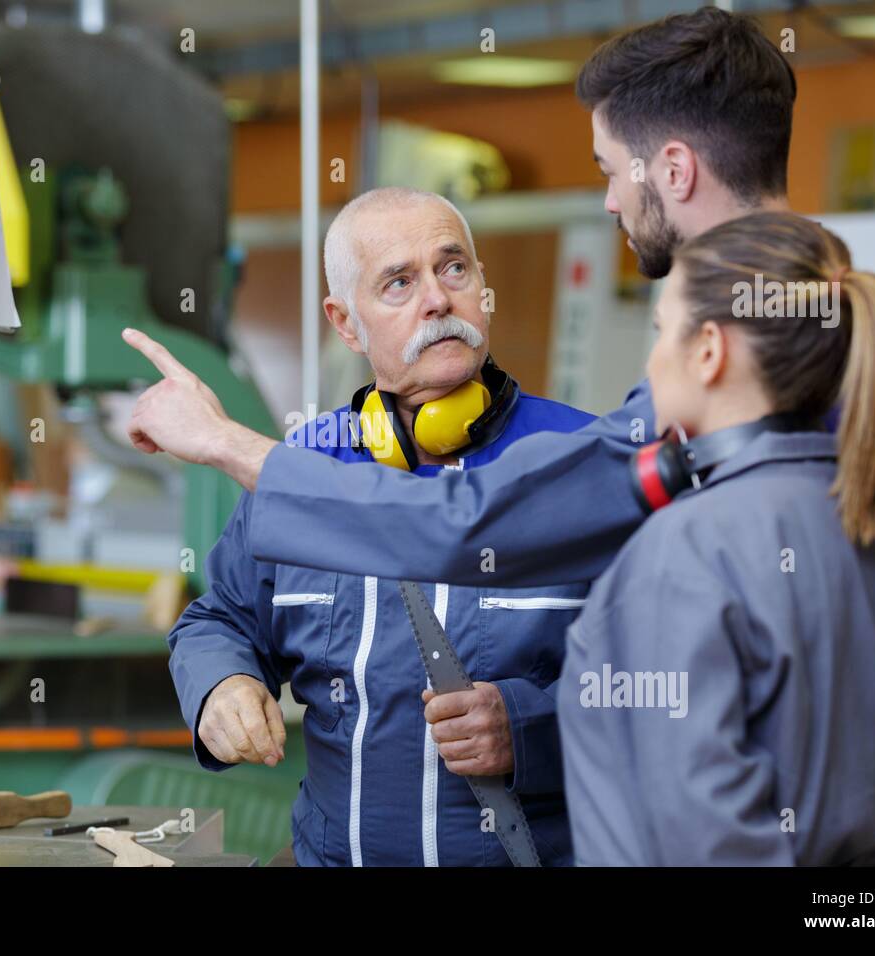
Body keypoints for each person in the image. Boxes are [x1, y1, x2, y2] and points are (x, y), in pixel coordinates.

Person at [119, 7, 875, 592]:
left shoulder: (733, 370)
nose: (610, 202)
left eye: (611, 170)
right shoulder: (837, 318)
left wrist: (225, 443)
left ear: (674, 171)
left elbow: (463, 525)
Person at [169, 188, 595, 866]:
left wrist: (530, 728)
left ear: (482, 286)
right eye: (399, 282)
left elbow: (671, 683)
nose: (437, 299)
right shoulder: (303, 472)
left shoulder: (582, 464)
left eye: (454, 269)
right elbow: (218, 618)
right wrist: (220, 683)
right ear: (345, 323)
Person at [555, 212, 875, 865]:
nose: (652, 358)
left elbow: (697, 844)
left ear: (708, 351)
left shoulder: (680, 554)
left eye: (662, 329)